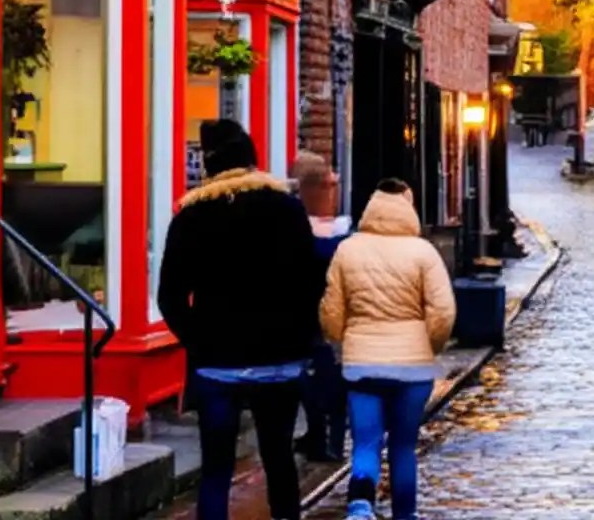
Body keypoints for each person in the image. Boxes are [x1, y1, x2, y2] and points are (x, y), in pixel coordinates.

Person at [158, 119, 323, 520]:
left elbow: (170, 297)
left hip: (217, 363)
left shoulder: (192, 216)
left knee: (216, 468)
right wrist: (300, 336)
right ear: (251, 161)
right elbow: (313, 281)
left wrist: (199, 339)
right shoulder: (286, 208)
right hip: (279, 358)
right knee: (279, 457)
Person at [320, 178, 456, 520]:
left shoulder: (349, 249)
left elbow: (332, 310)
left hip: (363, 363)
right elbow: (443, 312)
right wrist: (431, 345)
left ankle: (361, 505)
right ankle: (404, 515)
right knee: (403, 446)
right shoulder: (423, 253)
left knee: (365, 444)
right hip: (412, 368)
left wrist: (341, 340)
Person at [290, 152, 352, 462]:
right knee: (330, 382)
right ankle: (331, 438)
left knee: (313, 381)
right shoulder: (341, 235)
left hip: (304, 318)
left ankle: (321, 436)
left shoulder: (295, 232)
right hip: (330, 319)